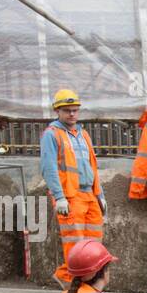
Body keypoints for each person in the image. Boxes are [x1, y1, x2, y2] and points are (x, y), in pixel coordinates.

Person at [40, 88, 106, 282]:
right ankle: (70, 283)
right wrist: (59, 197)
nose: (71, 113)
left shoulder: (83, 135)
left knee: (93, 245)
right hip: (70, 197)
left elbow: (92, 165)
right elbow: (49, 167)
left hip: (89, 195)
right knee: (76, 246)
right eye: (67, 110)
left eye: (74, 109)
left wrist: (99, 194)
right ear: (57, 111)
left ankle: (85, 284)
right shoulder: (51, 134)